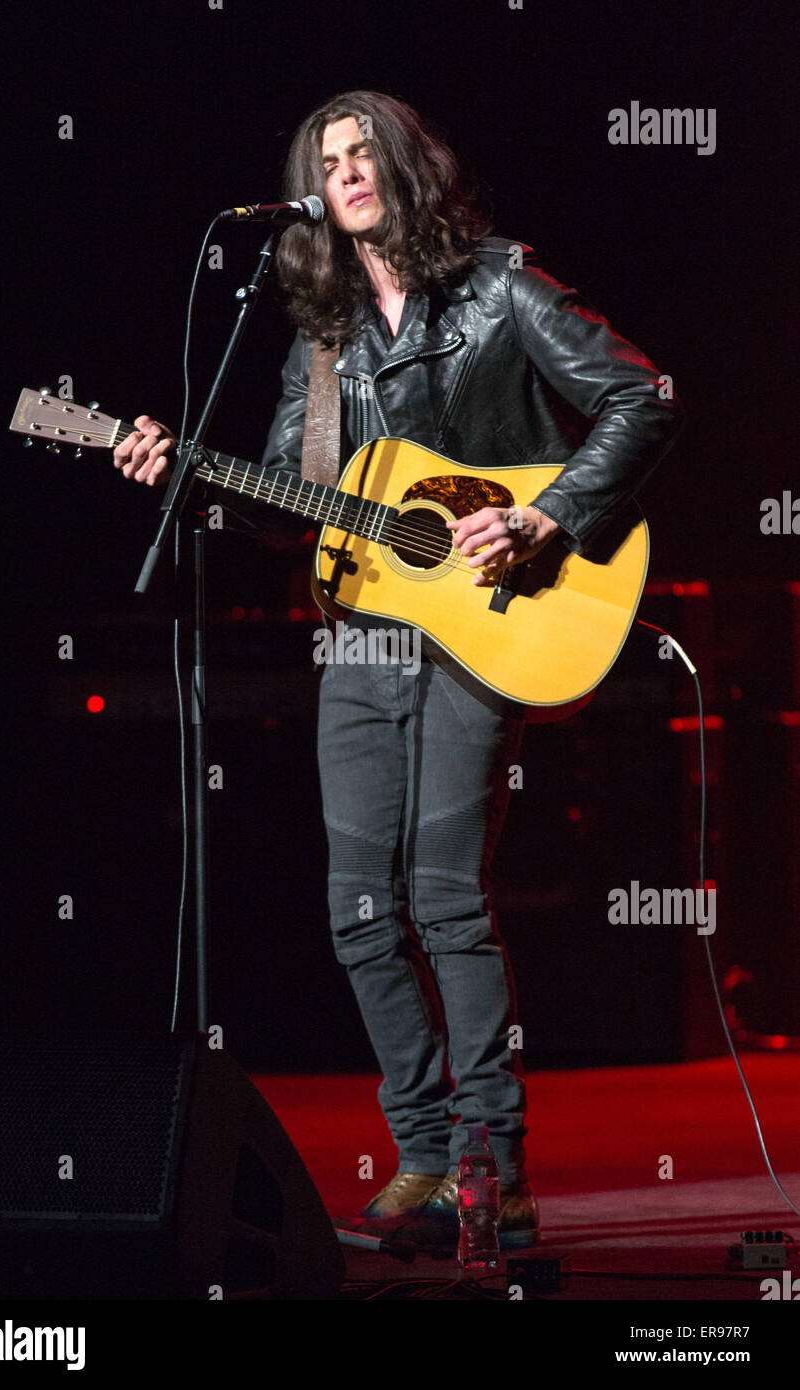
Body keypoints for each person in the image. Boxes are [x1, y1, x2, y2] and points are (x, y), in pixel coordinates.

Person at [112, 91, 684, 1246]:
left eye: (362, 147)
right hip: (366, 633)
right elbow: (288, 499)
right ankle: (422, 1156)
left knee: (445, 901)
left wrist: (551, 516)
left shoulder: (501, 284)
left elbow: (642, 394)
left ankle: (494, 1165)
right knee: (357, 912)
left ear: (404, 163)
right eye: (325, 160)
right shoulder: (322, 342)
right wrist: (182, 469)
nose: (345, 168)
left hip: (493, 617)